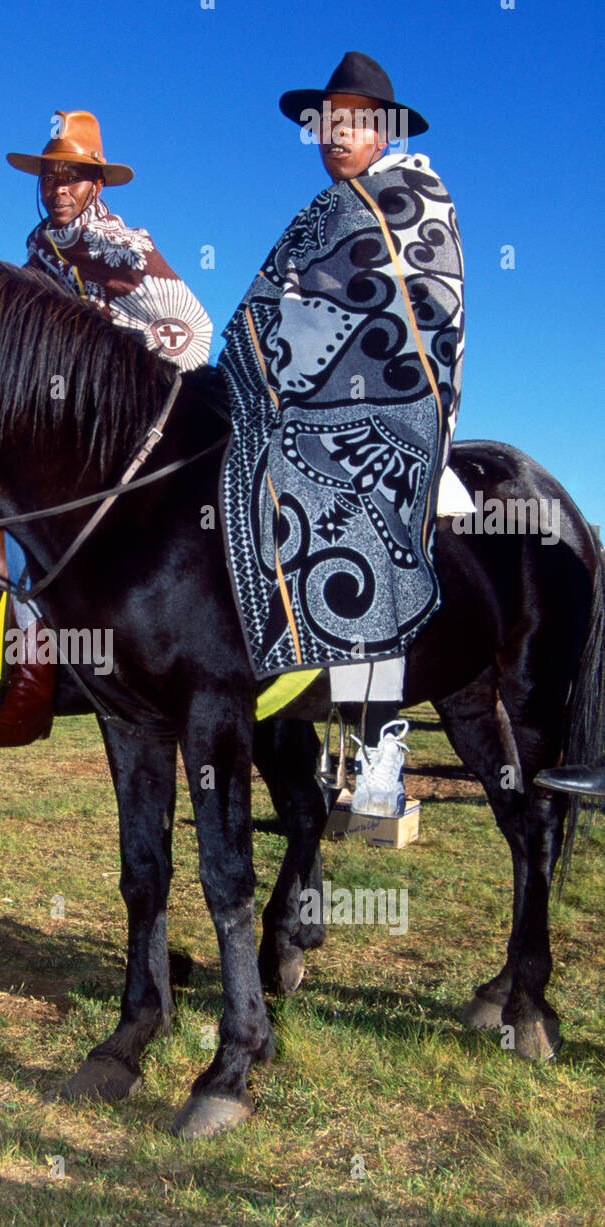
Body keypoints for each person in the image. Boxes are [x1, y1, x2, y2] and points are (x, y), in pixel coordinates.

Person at [220, 52, 465, 815]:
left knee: (363, 511)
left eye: (354, 121)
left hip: (392, 413)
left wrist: (314, 371)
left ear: (384, 130)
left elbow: (426, 316)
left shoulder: (418, 198)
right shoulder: (318, 215)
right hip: (301, 405)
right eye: (326, 124)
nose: (336, 134)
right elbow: (264, 309)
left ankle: (381, 731)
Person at [0, 110, 214, 747]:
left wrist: (96, 344)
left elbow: (191, 332)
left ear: (96, 185)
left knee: (31, 515)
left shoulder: (122, 246)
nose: (57, 187)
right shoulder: (36, 251)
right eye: (50, 175)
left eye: (71, 177)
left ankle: (33, 673)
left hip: (124, 421)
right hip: (54, 418)